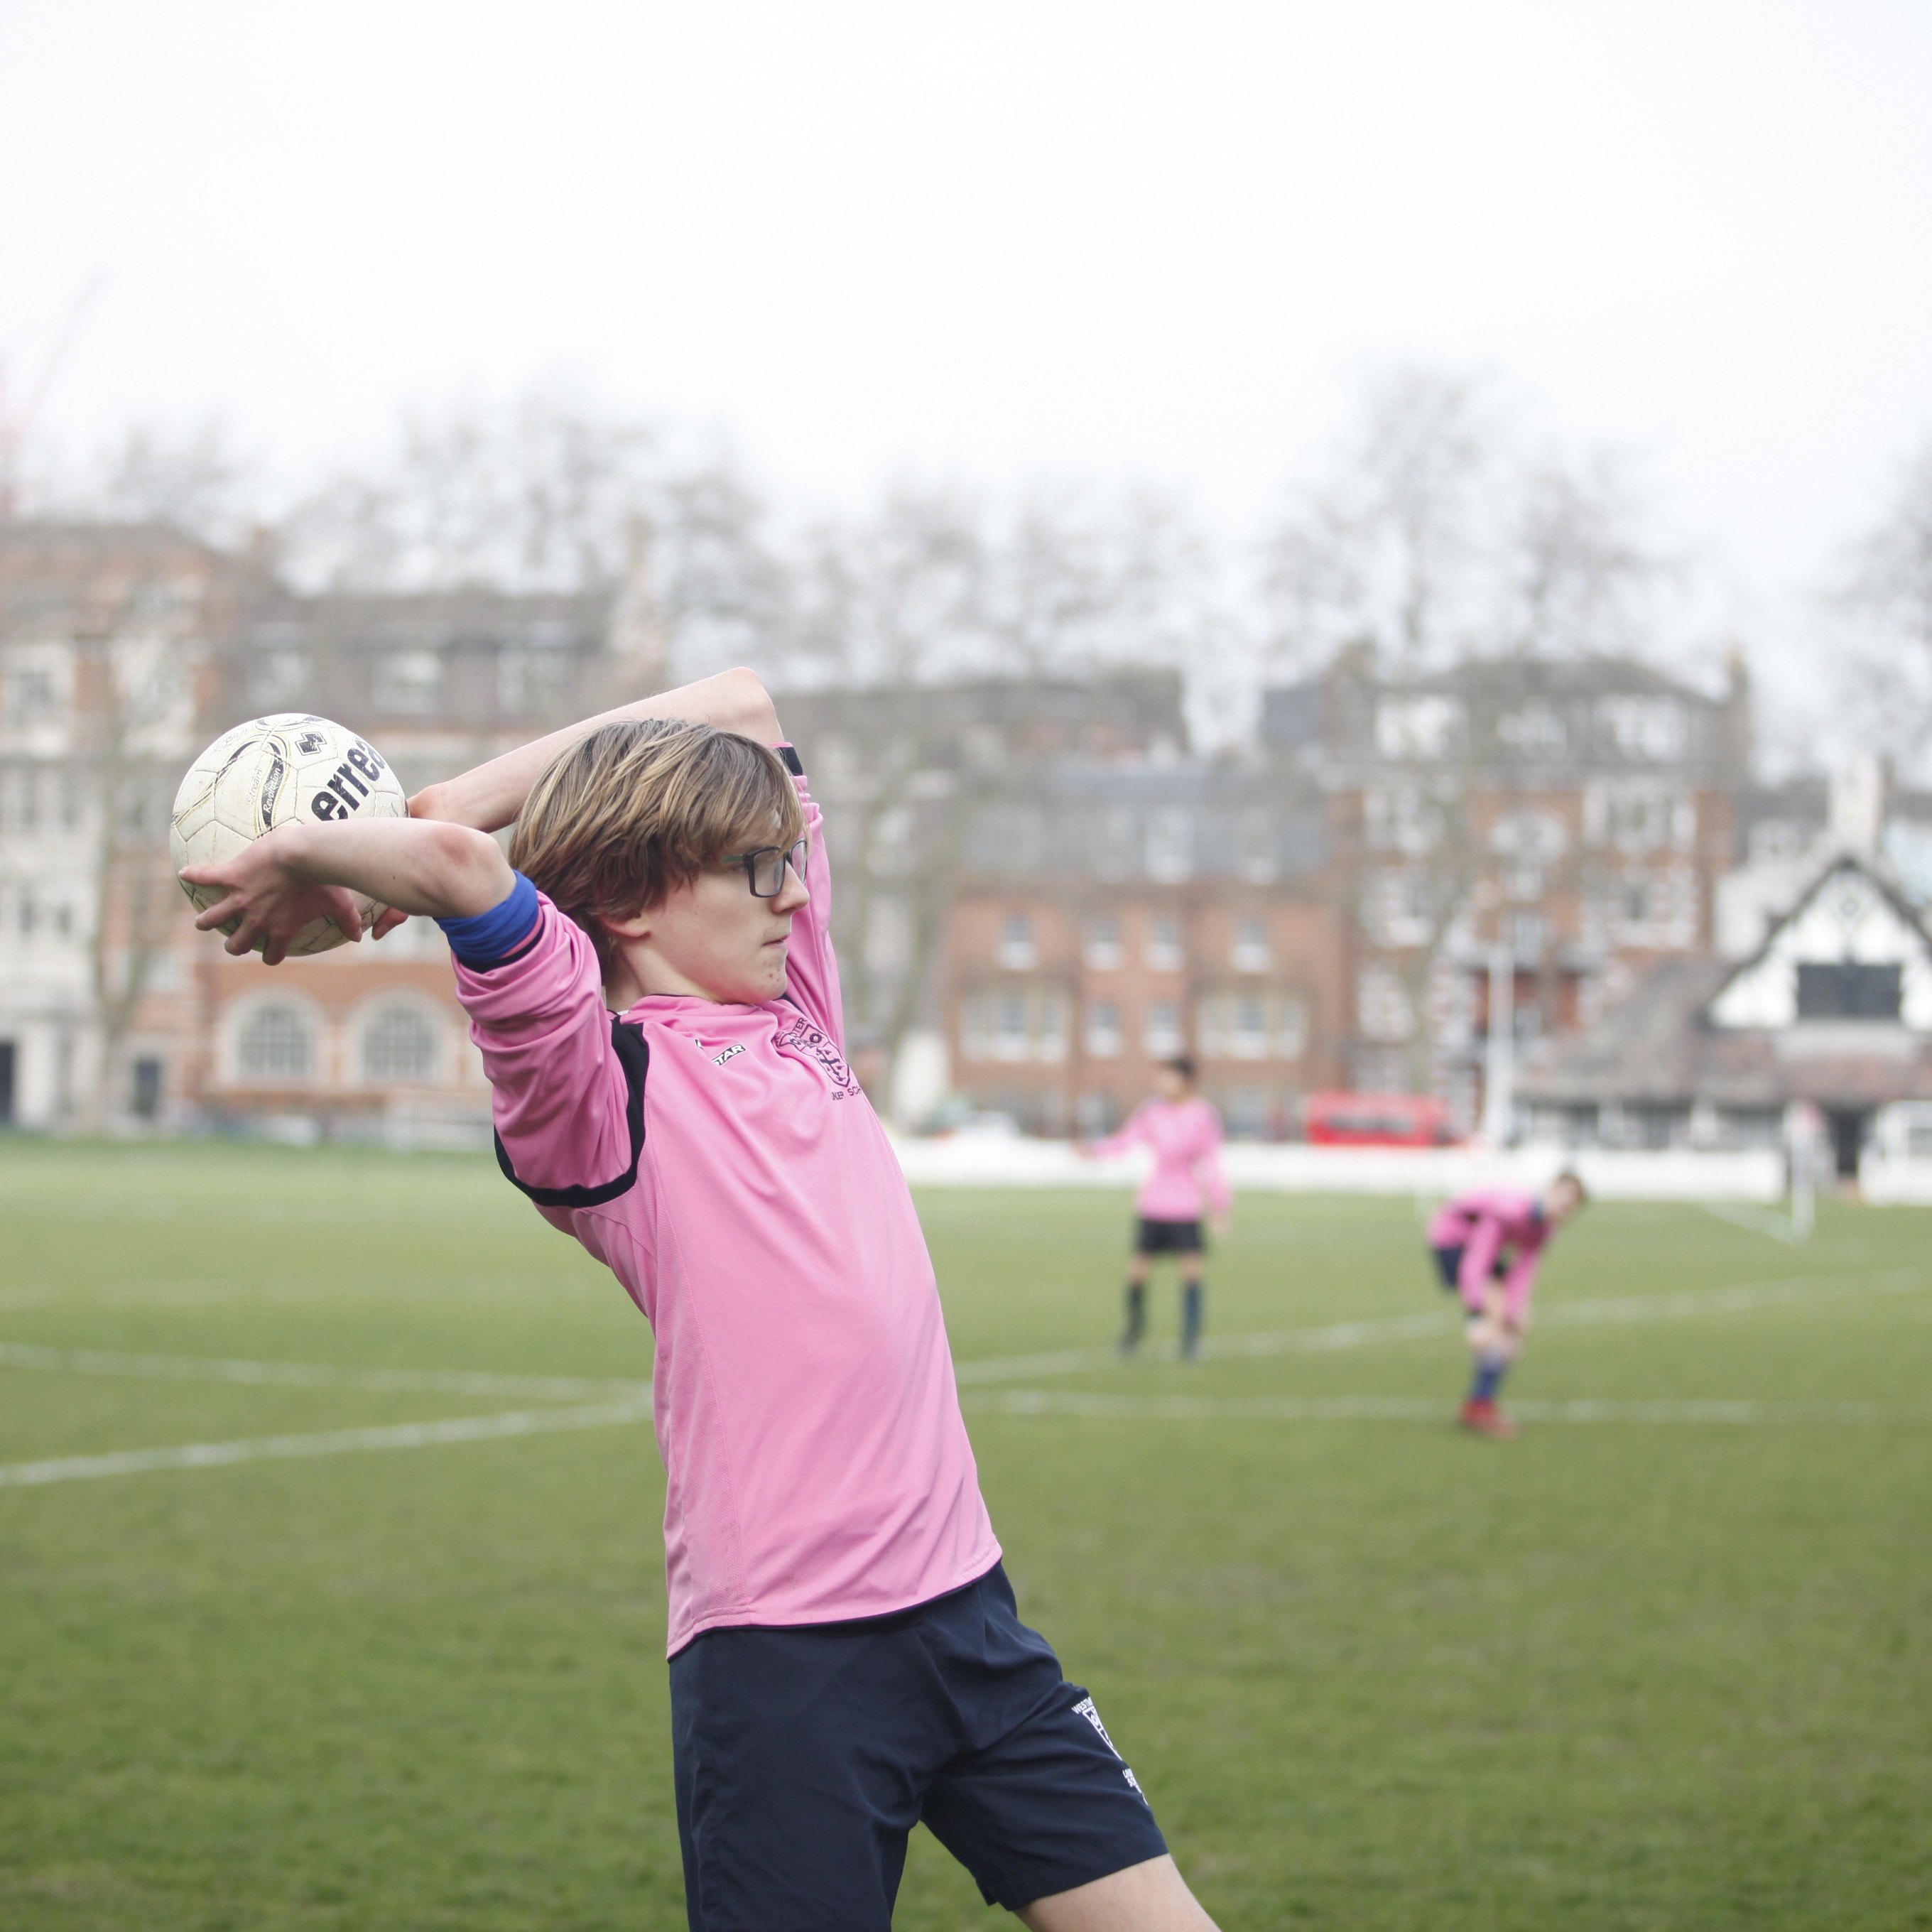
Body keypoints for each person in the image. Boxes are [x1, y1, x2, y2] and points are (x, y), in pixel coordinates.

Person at [180, 668, 1220, 1932]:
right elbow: (459, 869)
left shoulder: (799, 1007)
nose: (795, 894)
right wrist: (312, 846)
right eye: (754, 868)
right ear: (628, 901)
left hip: (970, 1618)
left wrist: (459, 793)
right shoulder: (591, 1090)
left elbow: (741, 706)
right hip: (790, 1667)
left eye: (787, 862)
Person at [1083, 1058, 1230, 1360]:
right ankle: (1133, 1331)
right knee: (1137, 1272)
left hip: (1186, 1206)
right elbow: (1127, 1140)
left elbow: (1212, 1161)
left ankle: (1191, 1340)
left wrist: (1219, 1207)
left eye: (1168, 1078)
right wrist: (1095, 1150)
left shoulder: (1202, 1115)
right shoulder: (1153, 1111)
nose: (1162, 1083)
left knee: (1192, 1273)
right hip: (1154, 1203)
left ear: (1186, 1080)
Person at [1426, 1172, 1588, 1439]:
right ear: (1550, 1190)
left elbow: (1524, 1271)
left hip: (1478, 1248)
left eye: (1571, 1205)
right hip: (1452, 1238)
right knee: (1494, 1315)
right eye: (1562, 1197)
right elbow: (1478, 1260)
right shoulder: (1510, 1210)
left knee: (1516, 1324)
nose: (1564, 1206)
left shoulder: (1546, 1228)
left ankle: (1480, 1404)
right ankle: (1480, 1409)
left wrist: (1516, 1311)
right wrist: (1480, 1312)